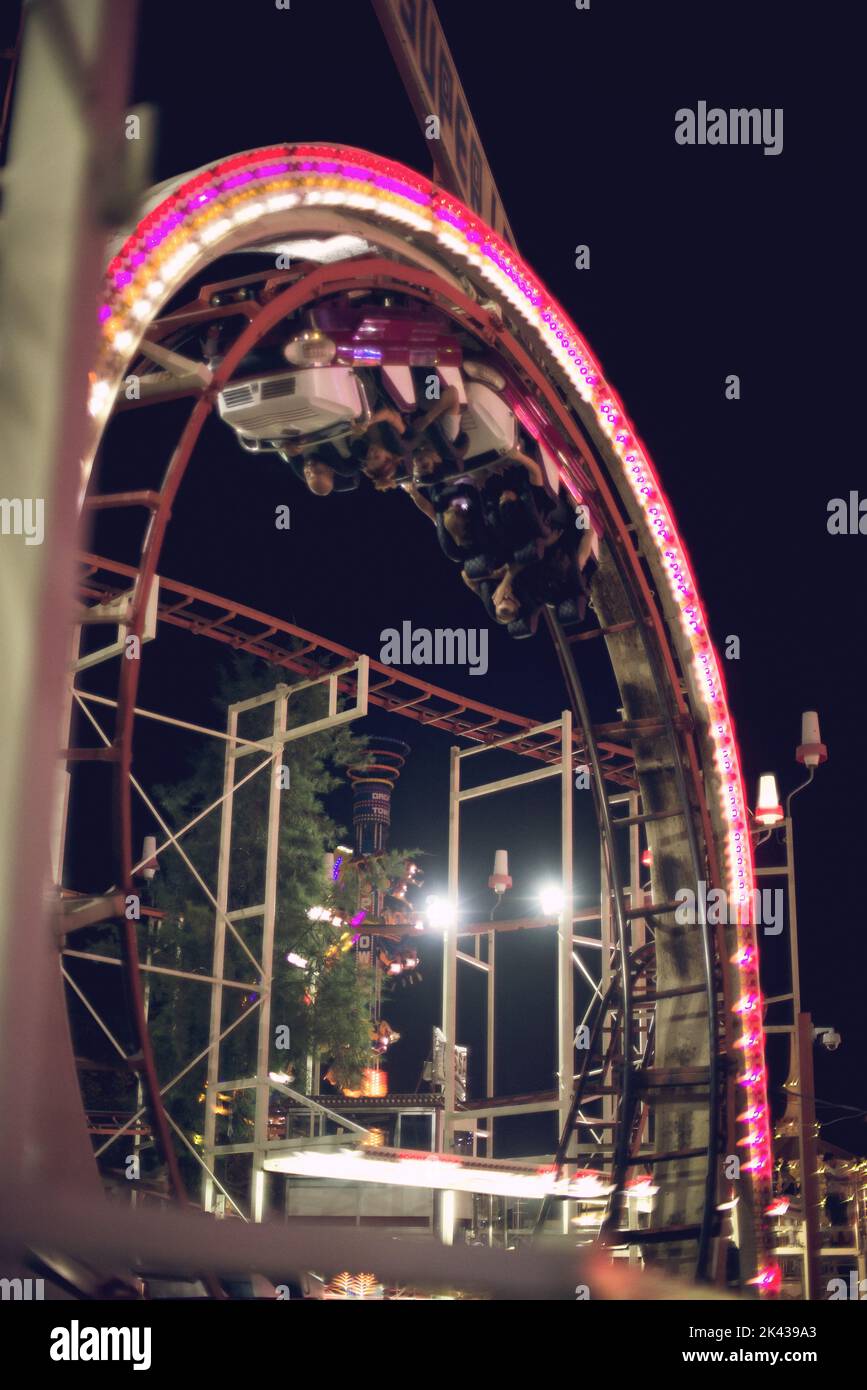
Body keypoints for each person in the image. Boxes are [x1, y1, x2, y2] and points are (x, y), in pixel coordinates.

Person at [280, 440, 360, 495]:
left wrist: (288, 448)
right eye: (318, 471)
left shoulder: (299, 463)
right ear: (330, 469)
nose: (311, 469)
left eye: (308, 474)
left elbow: (282, 445)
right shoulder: (340, 453)